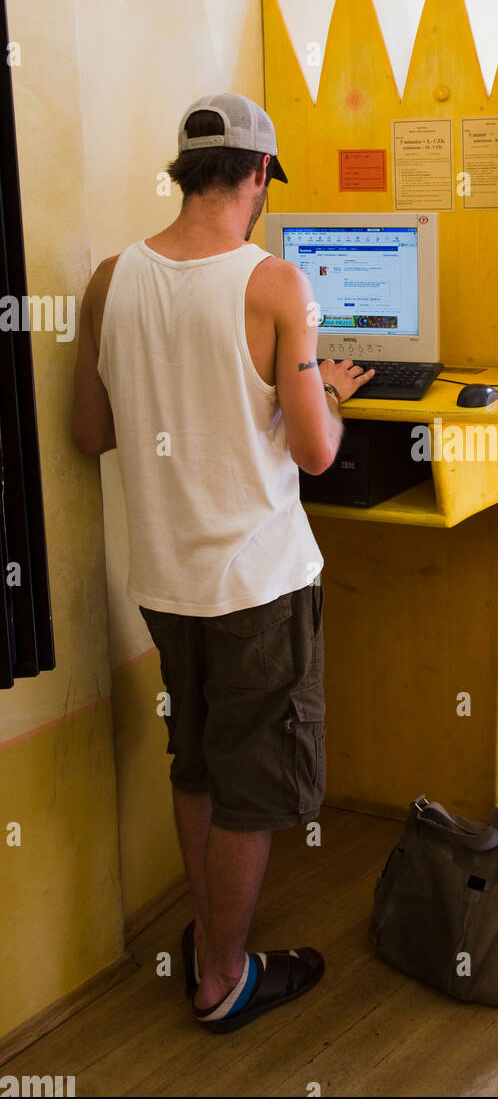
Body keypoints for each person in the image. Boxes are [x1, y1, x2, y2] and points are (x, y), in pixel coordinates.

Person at [71, 93, 374, 1032]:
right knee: (251, 783)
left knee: (195, 762)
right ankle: (224, 977)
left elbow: (90, 433)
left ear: (184, 172)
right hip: (255, 583)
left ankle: (209, 943)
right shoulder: (274, 284)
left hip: (164, 583)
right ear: (256, 178)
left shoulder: (108, 278)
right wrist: (320, 390)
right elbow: (318, 454)